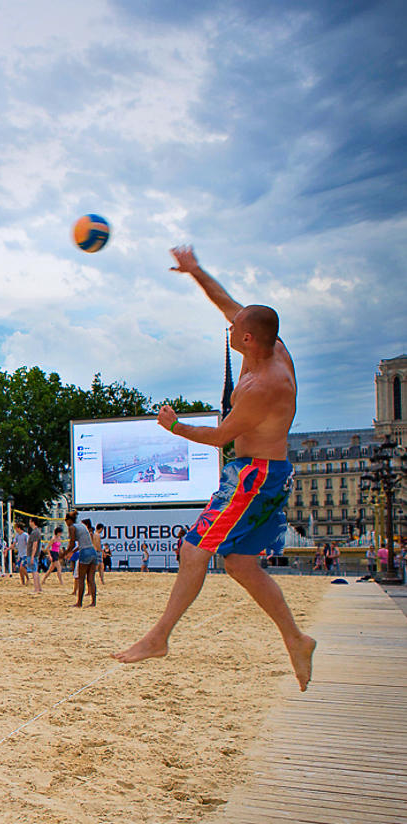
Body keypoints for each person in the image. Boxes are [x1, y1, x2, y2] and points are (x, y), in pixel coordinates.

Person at [114, 245, 315, 689]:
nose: (229, 324)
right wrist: (195, 270)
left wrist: (173, 426)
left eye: (234, 327)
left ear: (247, 339)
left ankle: (158, 637)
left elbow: (219, 437)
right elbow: (226, 301)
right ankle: (296, 639)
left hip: (254, 474)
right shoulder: (267, 344)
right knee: (242, 565)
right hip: (266, 471)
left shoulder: (266, 384)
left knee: (193, 550)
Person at [63, 511, 98, 607]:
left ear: (69, 520)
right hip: (92, 551)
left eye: (66, 521)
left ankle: (79, 603)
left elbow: (72, 543)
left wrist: (64, 554)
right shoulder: (82, 526)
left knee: (81, 578)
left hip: (85, 552)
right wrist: (72, 551)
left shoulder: (72, 527)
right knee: (91, 579)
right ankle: (93, 602)